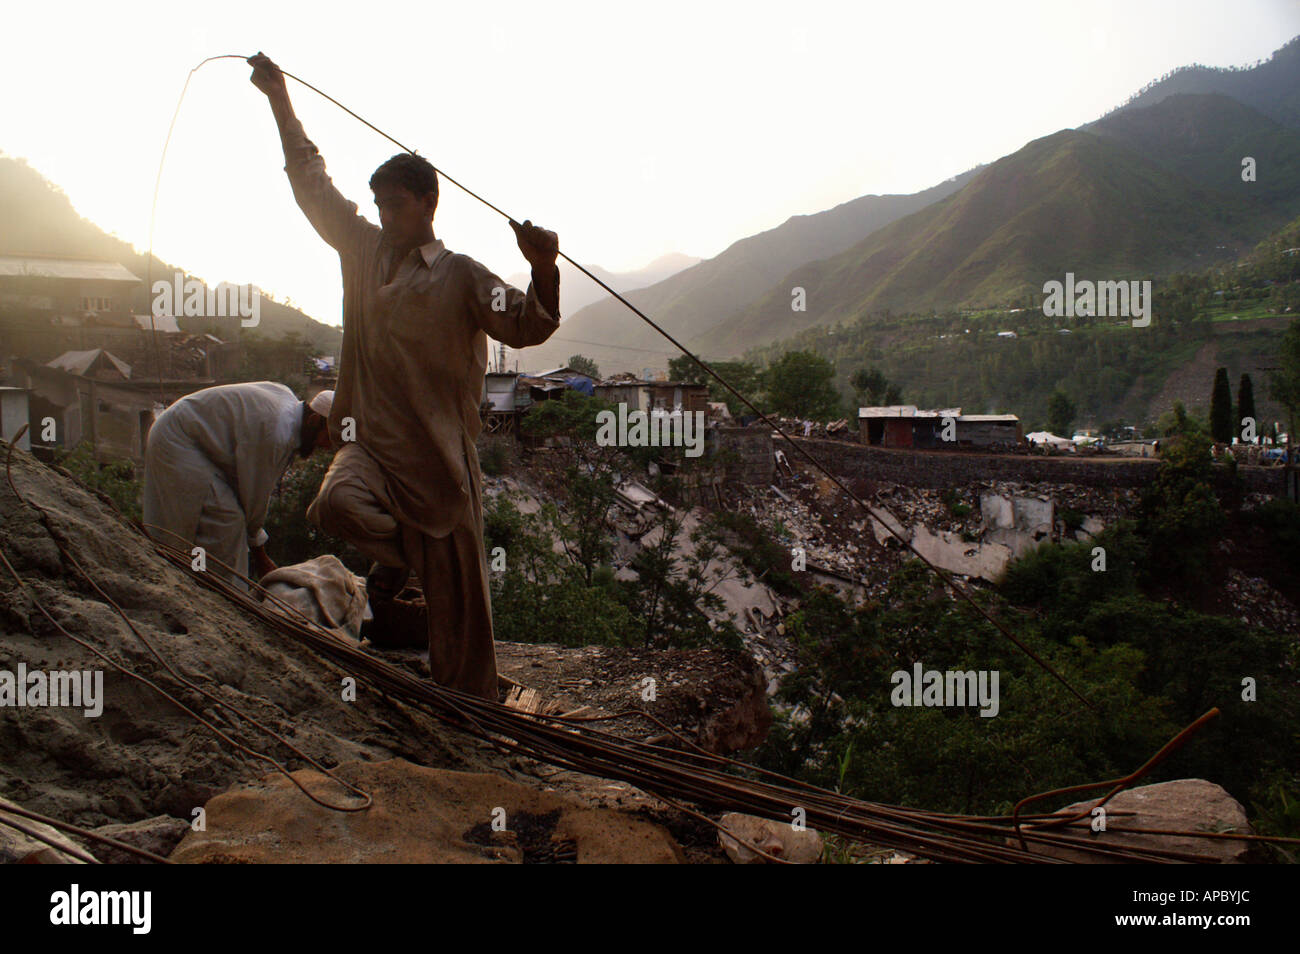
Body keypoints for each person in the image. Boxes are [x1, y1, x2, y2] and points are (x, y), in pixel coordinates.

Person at [248, 53, 562, 700]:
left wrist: (543, 267)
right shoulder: (362, 248)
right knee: (335, 503)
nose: (385, 215)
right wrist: (279, 98)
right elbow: (311, 181)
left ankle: (472, 717)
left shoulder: (461, 275)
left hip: (440, 461)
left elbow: (528, 324)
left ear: (428, 203)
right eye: (379, 205)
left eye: (396, 205)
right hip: (370, 444)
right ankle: (418, 560)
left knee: (464, 631)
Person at [142, 383, 334, 586]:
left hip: (191, 438)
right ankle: (217, 594)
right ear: (314, 421)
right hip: (178, 438)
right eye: (328, 438)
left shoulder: (288, 404)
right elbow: (253, 504)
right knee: (225, 521)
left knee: (225, 519)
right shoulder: (276, 433)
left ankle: (209, 586)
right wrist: (261, 557)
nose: (327, 447)